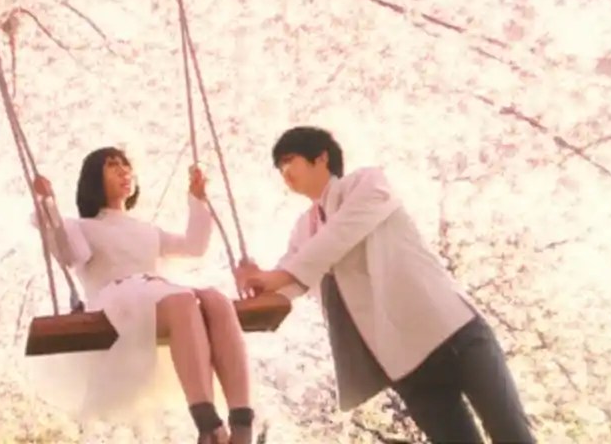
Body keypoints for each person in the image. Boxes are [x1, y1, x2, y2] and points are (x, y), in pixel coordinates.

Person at [235, 127, 534, 443]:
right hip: (404, 362)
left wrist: (278, 276)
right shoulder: (303, 230)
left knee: (513, 435)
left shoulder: (368, 183)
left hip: (454, 332)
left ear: (321, 156)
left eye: (289, 160)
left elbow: (336, 238)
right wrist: (257, 282)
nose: (284, 172)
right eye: (279, 167)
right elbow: (293, 280)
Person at [31, 146, 255, 444]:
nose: (124, 171)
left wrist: (198, 200)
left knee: (216, 299)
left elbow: (194, 245)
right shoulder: (81, 226)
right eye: (113, 166)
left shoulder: (146, 230)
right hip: (117, 298)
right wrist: (48, 207)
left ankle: (241, 424)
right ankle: (208, 424)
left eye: (126, 165)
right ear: (93, 178)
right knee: (183, 300)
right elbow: (73, 254)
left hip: (155, 293)